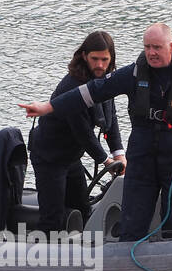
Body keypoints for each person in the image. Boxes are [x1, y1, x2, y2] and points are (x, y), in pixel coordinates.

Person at [19, 22, 172, 240]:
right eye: (147, 47)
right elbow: (91, 92)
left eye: (156, 47)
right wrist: (47, 107)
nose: (151, 53)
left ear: (171, 47)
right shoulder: (134, 74)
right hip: (142, 159)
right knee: (132, 226)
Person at [28, 31, 126, 232]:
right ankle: (43, 254)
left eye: (104, 60)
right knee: (52, 216)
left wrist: (119, 153)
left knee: (82, 208)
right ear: (84, 56)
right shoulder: (72, 86)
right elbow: (82, 132)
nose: (99, 65)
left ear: (111, 59)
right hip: (50, 157)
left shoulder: (106, 81)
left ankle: (78, 250)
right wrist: (106, 161)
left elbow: (111, 118)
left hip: (72, 158)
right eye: (95, 59)